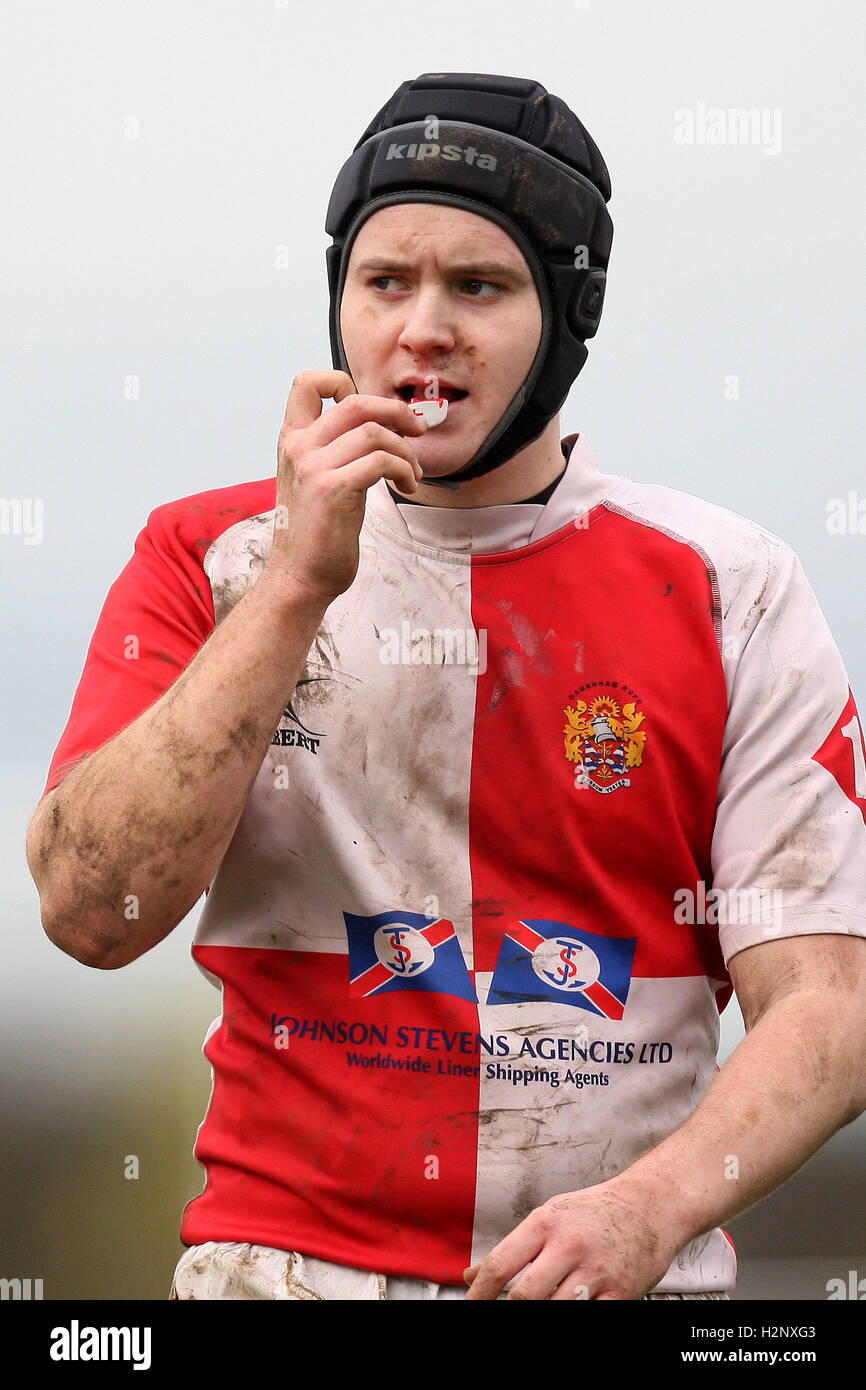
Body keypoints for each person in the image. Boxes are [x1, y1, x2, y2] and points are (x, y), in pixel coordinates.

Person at [25, 72, 866, 1302]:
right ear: (338, 304)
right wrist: (298, 590)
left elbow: (829, 1012)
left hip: (617, 1280)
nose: (423, 328)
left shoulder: (731, 585)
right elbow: (94, 914)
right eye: (384, 283)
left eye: (479, 285)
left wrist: (647, 1210)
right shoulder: (210, 559)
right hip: (277, 1276)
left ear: (568, 316)